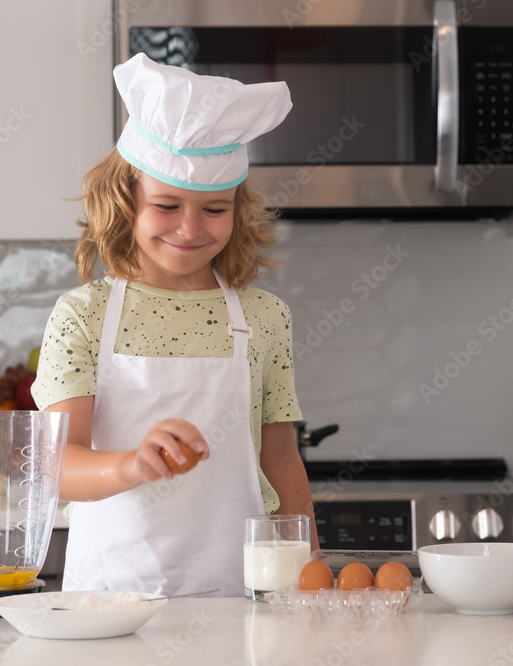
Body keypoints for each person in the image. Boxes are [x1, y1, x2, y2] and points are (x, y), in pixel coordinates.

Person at [31, 53, 317, 597]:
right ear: (125, 202)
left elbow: (280, 460)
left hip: (243, 596)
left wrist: (310, 575)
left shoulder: (264, 318)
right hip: (111, 604)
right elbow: (58, 468)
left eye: (214, 209)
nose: (190, 228)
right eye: (166, 204)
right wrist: (134, 466)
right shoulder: (83, 315)